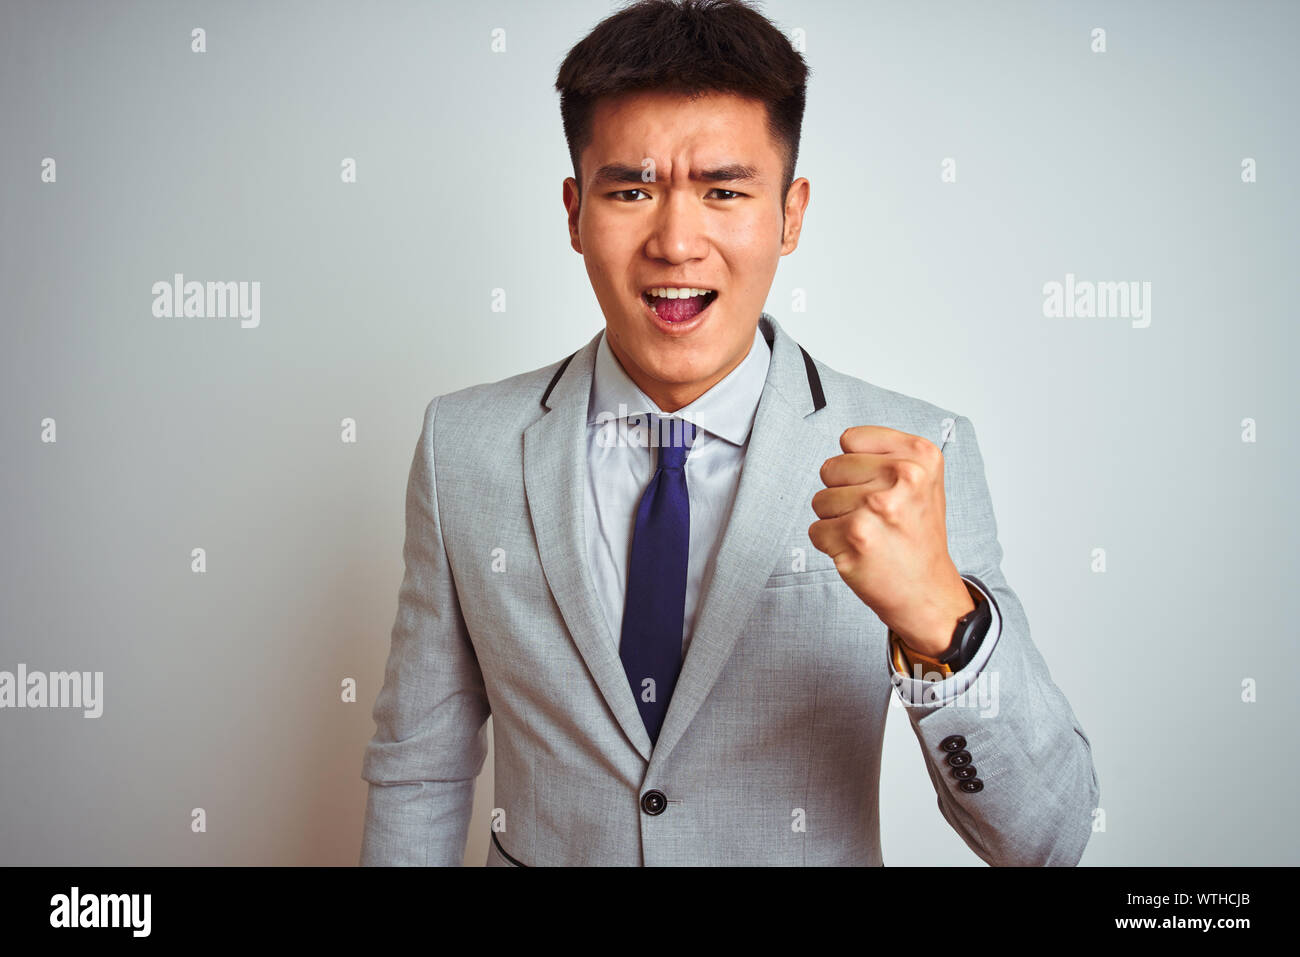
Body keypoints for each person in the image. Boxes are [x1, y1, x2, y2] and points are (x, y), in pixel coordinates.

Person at [359, 0, 1099, 866]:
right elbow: (419, 769)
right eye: (631, 191)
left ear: (790, 214)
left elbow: (1047, 838)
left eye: (724, 191)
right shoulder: (462, 446)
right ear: (573, 212)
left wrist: (942, 618)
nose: (677, 242)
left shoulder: (916, 454)